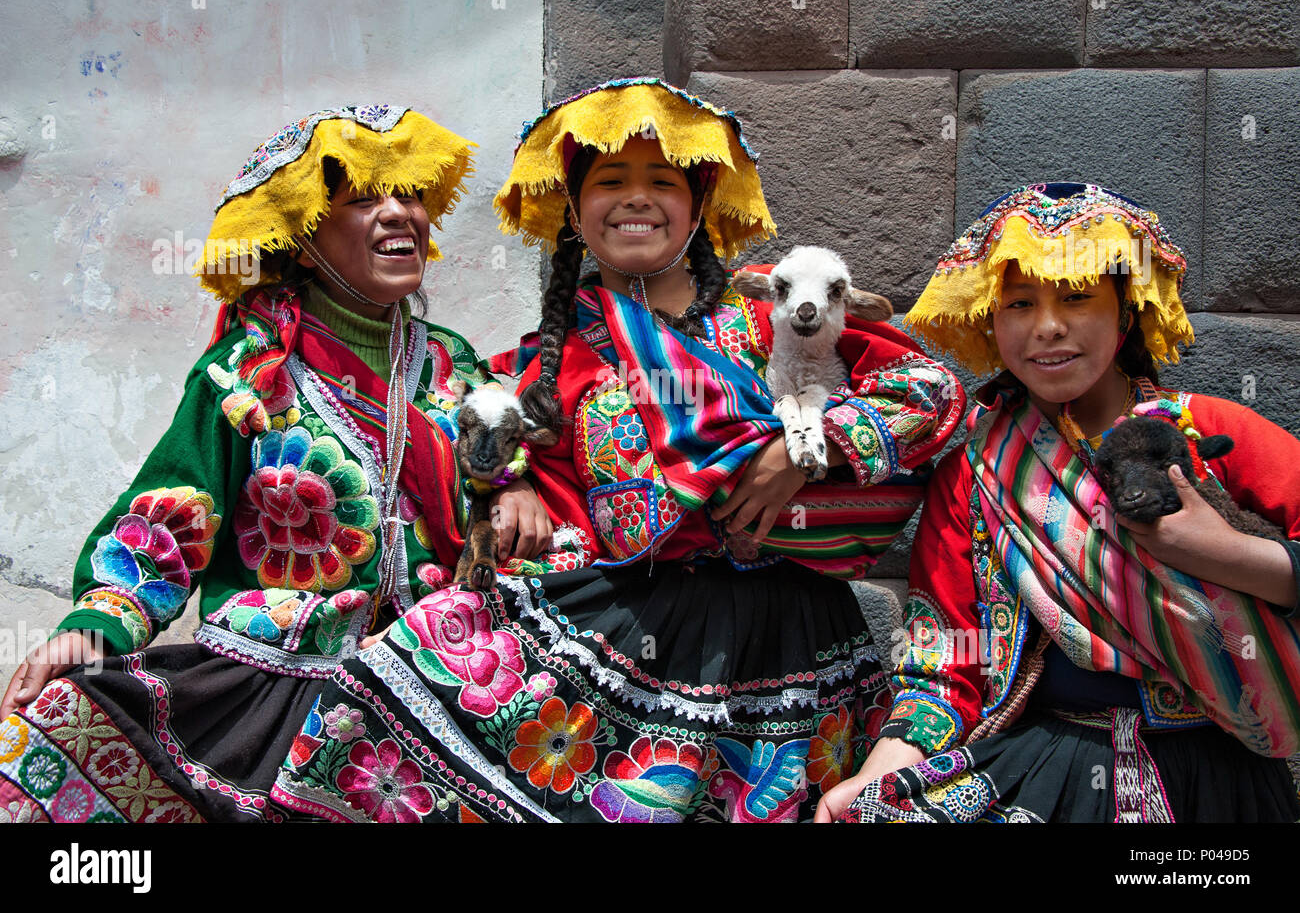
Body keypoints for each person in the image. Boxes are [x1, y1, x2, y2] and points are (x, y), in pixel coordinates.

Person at [270, 78, 964, 823]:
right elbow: (476, 419)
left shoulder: (773, 320)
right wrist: (511, 485)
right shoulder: (561, 353)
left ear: (698, 205)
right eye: (610, 182)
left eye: (661, 181)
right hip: (636, 636)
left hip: (796, 637)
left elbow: (930, 388)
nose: (636, 198)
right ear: (574, 210)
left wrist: (806, 445)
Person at [0, 105, 550, 822]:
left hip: (434, 680)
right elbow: (171, 514)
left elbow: (507, 474)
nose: (399, 215)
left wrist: (519, 486)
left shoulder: (455, 366)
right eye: (361, 200)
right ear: (303, 239)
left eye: (411, 195)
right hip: (280, 682)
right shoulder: (246, 378)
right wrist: (94, 627)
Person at [817, 182, 1300, 823]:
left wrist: (1226, 554)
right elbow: (946, 660)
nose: (1048, 327)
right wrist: (876, 774)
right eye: (1019, 303)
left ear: (1125, 314)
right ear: (991, 323)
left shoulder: (1208, 432)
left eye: (1077, 297)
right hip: (1051, 768)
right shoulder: (976, 472)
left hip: (1219, 779)